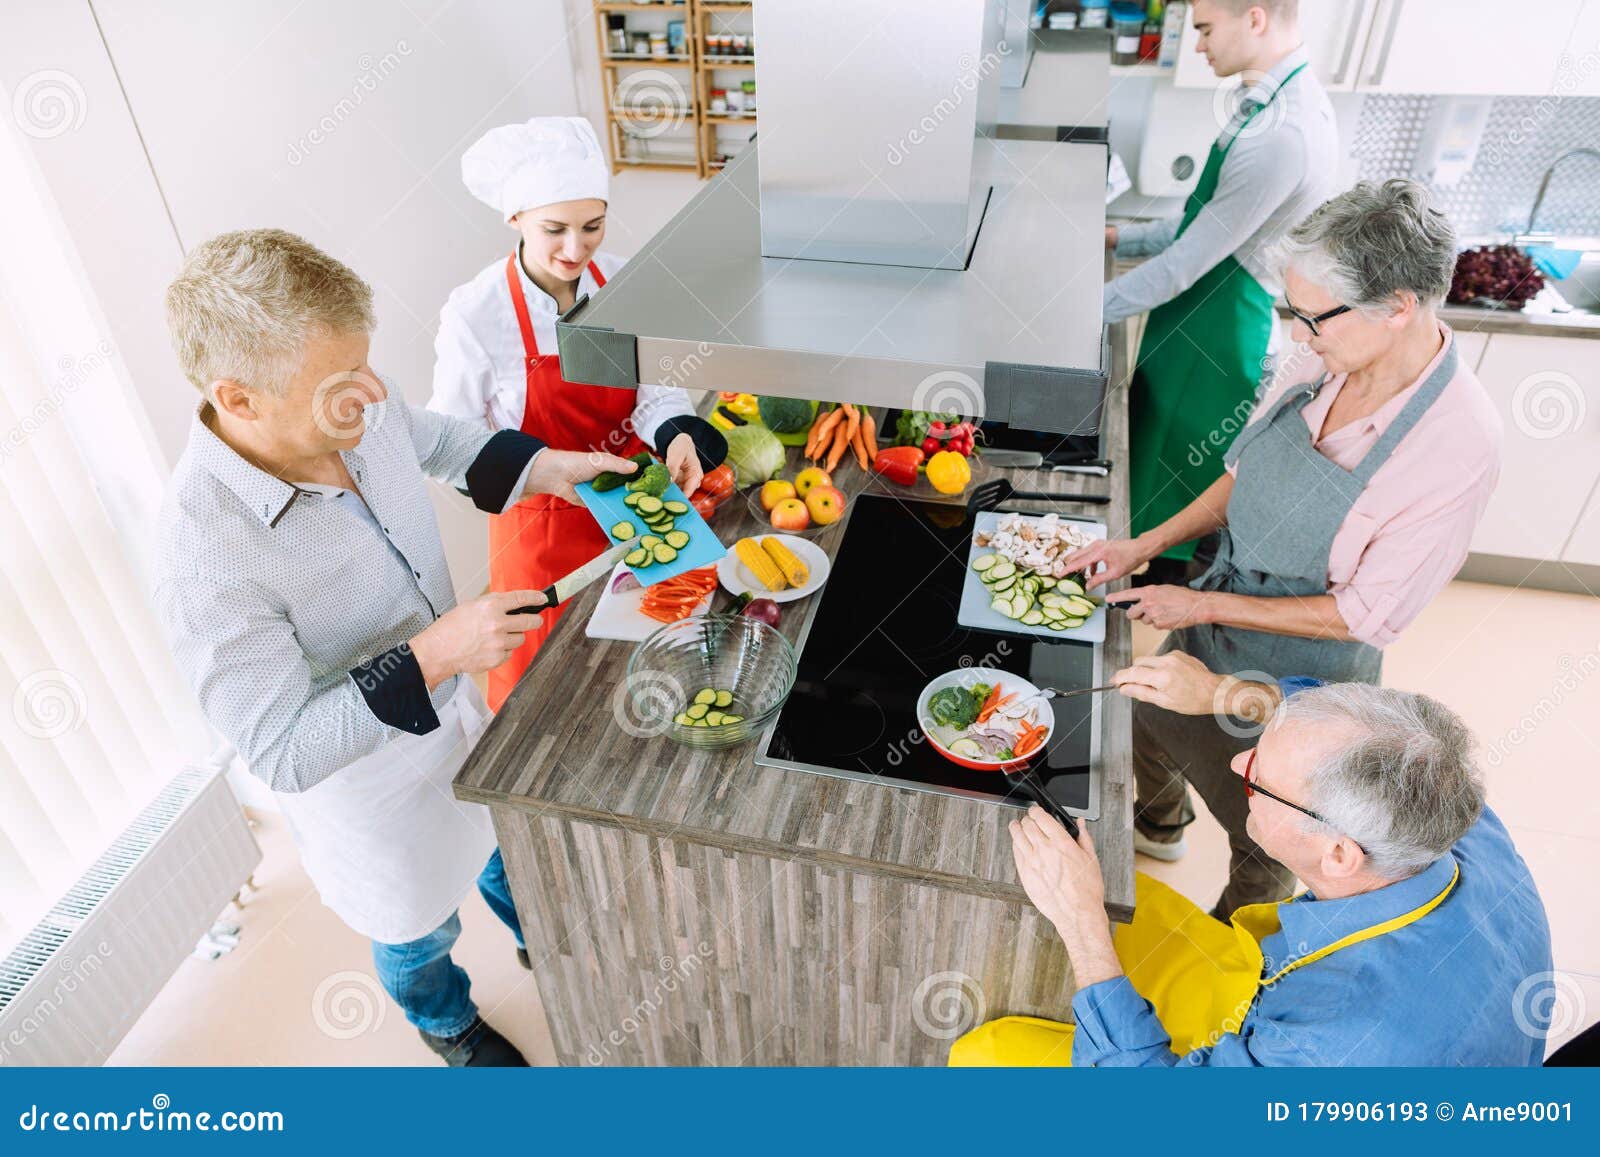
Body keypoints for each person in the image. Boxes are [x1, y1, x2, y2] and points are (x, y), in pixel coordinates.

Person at [154, 229, 642, 1065]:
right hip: (368, 790)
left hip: (455, 714)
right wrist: (435, 656)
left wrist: (546, 467)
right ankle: (444, 1019)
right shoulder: (206, 559)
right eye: (344, 383)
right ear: (238, 399)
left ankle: (537, 937)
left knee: (495, 841)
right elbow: (282, 749)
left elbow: (436, 439)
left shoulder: (355, 402)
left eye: (367, 366)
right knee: (418, 925)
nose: (373, 394)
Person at [1069, 179, 1503, 917]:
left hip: (1303, 677)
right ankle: (1161, 820)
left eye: (1312, 318)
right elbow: (1241, 475)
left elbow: (1361, 615)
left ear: (1398, 306)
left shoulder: (1457, 445)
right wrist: (1144, 542)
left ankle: (1236, 960)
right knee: (1145, 718)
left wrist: (1200, 598)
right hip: (1218, 609)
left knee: (1265, 836)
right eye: (1291, 312)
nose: (1297, 336)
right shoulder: (1322, 359)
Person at [951, 684, 1553, 1067]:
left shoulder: (1335, 1043)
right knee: (1132, 898)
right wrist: (1216, 689)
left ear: (1339, 854)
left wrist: (1084, 931)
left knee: (984, 1054)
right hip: (1306, 995)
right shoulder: (1443, 801)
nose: (1237, 762)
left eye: (1259, 776)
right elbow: (1325, 701)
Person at [429, 116, 727, 710]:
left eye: (592, 227)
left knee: (647, 668)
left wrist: (674, 435)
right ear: (514, 219)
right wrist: (539, 471)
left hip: (642, 508)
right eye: (554, 229)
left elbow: (655, 389)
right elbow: (447, 446)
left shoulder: (625, 281)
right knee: (549, 693)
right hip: (541, 529)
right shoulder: (475, 313)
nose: (574, 248)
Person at [1104, 0, 1337, 580]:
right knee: (1150, 483)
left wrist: (1076, 314)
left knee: (1168, 504)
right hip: (1196, 321)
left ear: (1254, 18)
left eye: (1205, 28)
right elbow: (1201, 224)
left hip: (1214, 337)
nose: (1199, 44)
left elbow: (1186, 263)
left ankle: (1140, 644)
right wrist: (1111, 237)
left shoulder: (1279, 134)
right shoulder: (1268, 107)